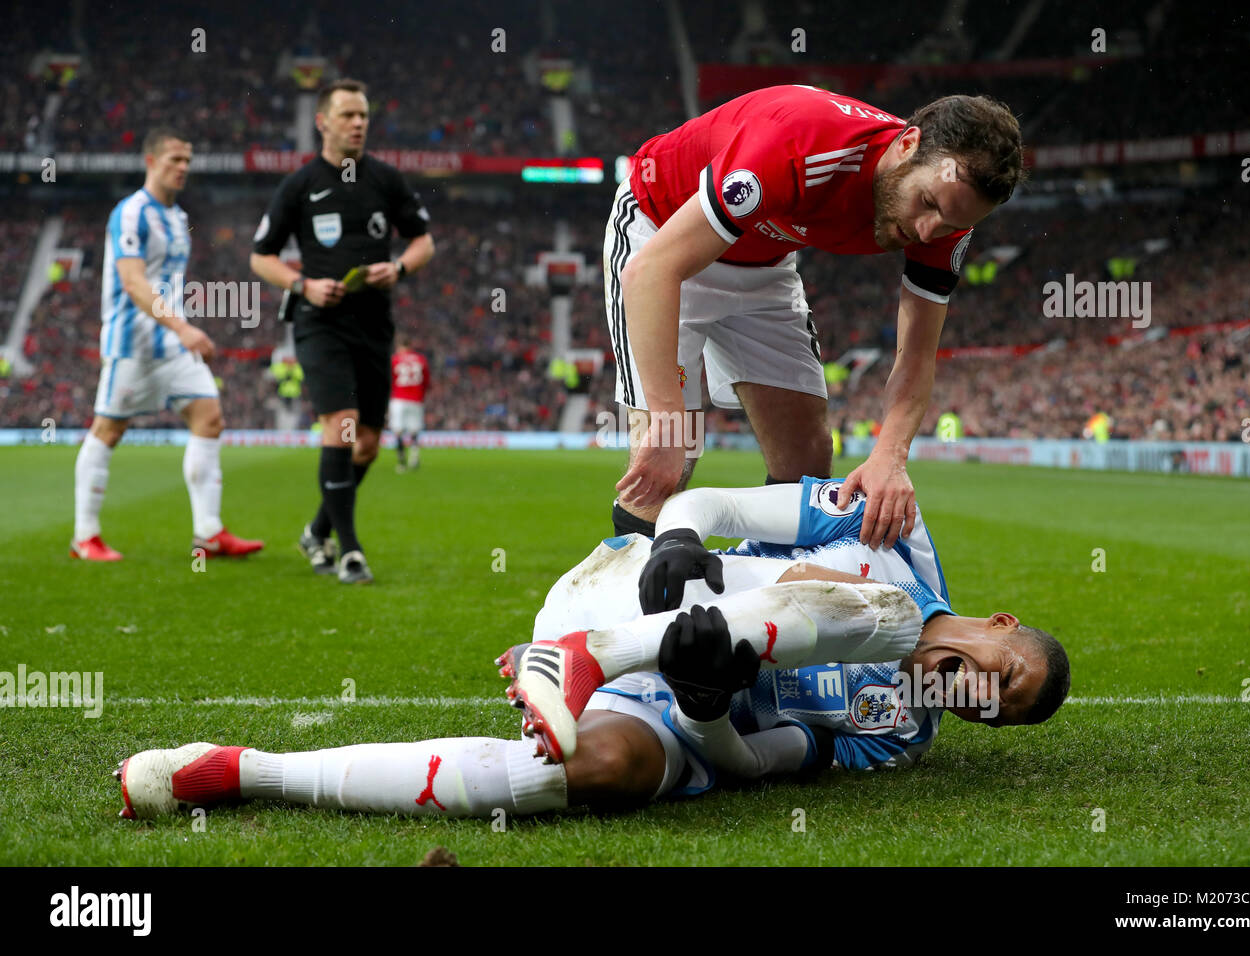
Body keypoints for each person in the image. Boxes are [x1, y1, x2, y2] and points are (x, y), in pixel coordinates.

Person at [115, 478, 1069, 820]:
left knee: (595, 771)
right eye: (1006, 676)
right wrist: (679, 544)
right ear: (1002, 624)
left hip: (673, 701)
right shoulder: (896, 538)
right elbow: (710, 507)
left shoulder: (895, 735)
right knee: (889, 610)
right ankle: (595, 652)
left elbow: (760, 767)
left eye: (1001, 712)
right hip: (630, 591)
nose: (984, 697)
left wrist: (703, 705)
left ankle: (243, 771)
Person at [605, 85, 1026, 550]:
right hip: (662, 233)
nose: (928, 231)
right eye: (927, 203)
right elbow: (651, 271)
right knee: (668, 458)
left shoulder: (948, 217)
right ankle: (630, 613)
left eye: (949, 223)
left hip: (764, 262)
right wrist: (667, 422)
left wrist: (891, 455)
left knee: (806, 463)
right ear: (907, 145)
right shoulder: (799, 145)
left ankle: (762, 600)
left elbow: (917, 354)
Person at [249, 78, 434, 583]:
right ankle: (349, 552)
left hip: (374, 323)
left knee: (368, 444)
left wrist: (397, 269)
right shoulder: (300, 185)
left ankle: (316, 531)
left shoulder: (386, 180)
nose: (358, 124)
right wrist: (303, 285)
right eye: (348, 115)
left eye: (363, 116)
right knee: (342, 424)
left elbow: (423, 242)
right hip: (320, 322)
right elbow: (260, 256)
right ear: (322, 122)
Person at [71, 127, 262, 562]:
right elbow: (134, 283)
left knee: (209, 417)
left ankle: (209, 533)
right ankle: (85, 536)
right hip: (133, 343)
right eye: (175, 159)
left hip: (173, 344)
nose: (183, 168)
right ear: (151, 162)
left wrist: (178, 329)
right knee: (109, 430)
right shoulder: (131, 213)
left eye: (188, 161)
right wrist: (182, 326)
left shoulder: (176, 217)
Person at [388, 334, 428, 473]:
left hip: (399, 398)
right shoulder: (420, 360)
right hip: (416, 400)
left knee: (398, 431)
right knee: (414, 431)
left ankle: (401, 462)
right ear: (410, 346)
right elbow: (426, 381)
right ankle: (414, 458)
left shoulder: (395, 359)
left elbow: (390, 380)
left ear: (399, 347)